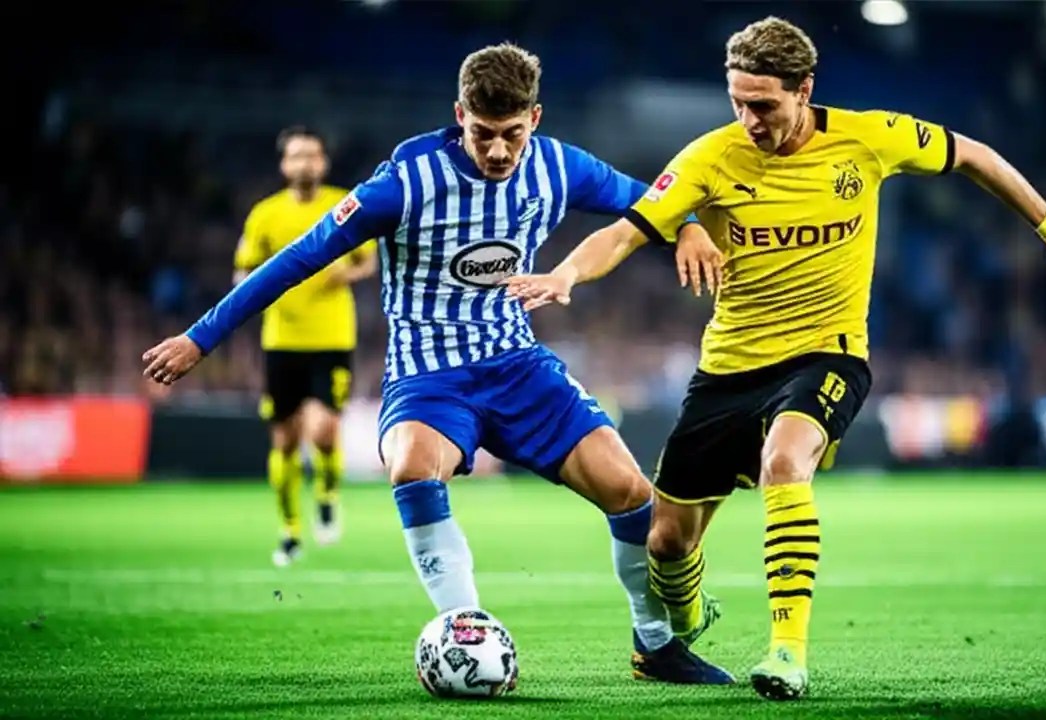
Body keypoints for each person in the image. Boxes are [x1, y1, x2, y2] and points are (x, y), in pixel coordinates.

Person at [504, 16, 1046, 700]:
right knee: (666, 543)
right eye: (737, 103)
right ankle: (691, 614)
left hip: (828, 354)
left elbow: (975, 156)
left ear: (805, 90)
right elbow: (625, 231)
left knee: (785, 463)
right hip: (729, 369)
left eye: (761, 105)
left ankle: (787, 651)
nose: (748, 119)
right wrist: (566, 276)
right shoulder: (711, 156)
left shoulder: (870, 136)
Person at [142, 43, 731, 685]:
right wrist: (200, 338)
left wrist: (691, 223)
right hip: (428, 375)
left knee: (632, 492)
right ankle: (466, 634)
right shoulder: (405, 181)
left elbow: (651, 201)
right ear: (459, 116)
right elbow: (296, 258)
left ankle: (655, 646)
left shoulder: (562, 166)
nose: (499, 151)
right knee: (413, 466)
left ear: (535, 118)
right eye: (483, 135)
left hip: (518, 365)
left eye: (511, 134)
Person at [234, 126, 378, 566]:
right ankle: (290, 530)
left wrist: (344, 275)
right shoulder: (265, 215)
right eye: (297, 156)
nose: (305, 164)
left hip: (332, 335)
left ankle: (328, 493)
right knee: (283, 441)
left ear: (324, 162)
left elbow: (369, 260)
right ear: (284, 165)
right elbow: (243, 270)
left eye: (312, 155)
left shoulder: (344, 204)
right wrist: (255, 293)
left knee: (324, 430)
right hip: (282, 338)